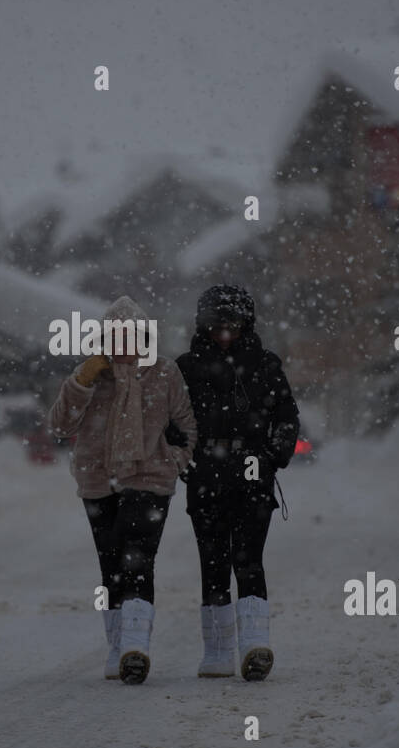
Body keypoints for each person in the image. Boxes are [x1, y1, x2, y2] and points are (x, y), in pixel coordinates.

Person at [48, 295, 197, 684]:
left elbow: (187, 426)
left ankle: (135, 647)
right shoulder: (90, 376)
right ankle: (117, 649)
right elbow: (60, 426)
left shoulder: (164, 373)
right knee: (110, 566)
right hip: (98, 481)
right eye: (114, 336)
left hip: (149, 480)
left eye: (131, 336)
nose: (123, 344)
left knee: (137, 558)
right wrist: (81, 381)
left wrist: (173, 462)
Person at [175, 285, 299, 681]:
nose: (225, 335)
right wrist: (185, 462)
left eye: (232, 327)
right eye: (217, 328)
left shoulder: (266, 365)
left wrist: (270, 458)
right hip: (205, 472)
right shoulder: (186, 368)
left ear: (246, 326)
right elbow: (171, 424)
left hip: (253, 472)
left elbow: (287, 418)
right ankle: (216, 652)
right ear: (204, 326)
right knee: (212, 564)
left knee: (248, 559)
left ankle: (255, 645)